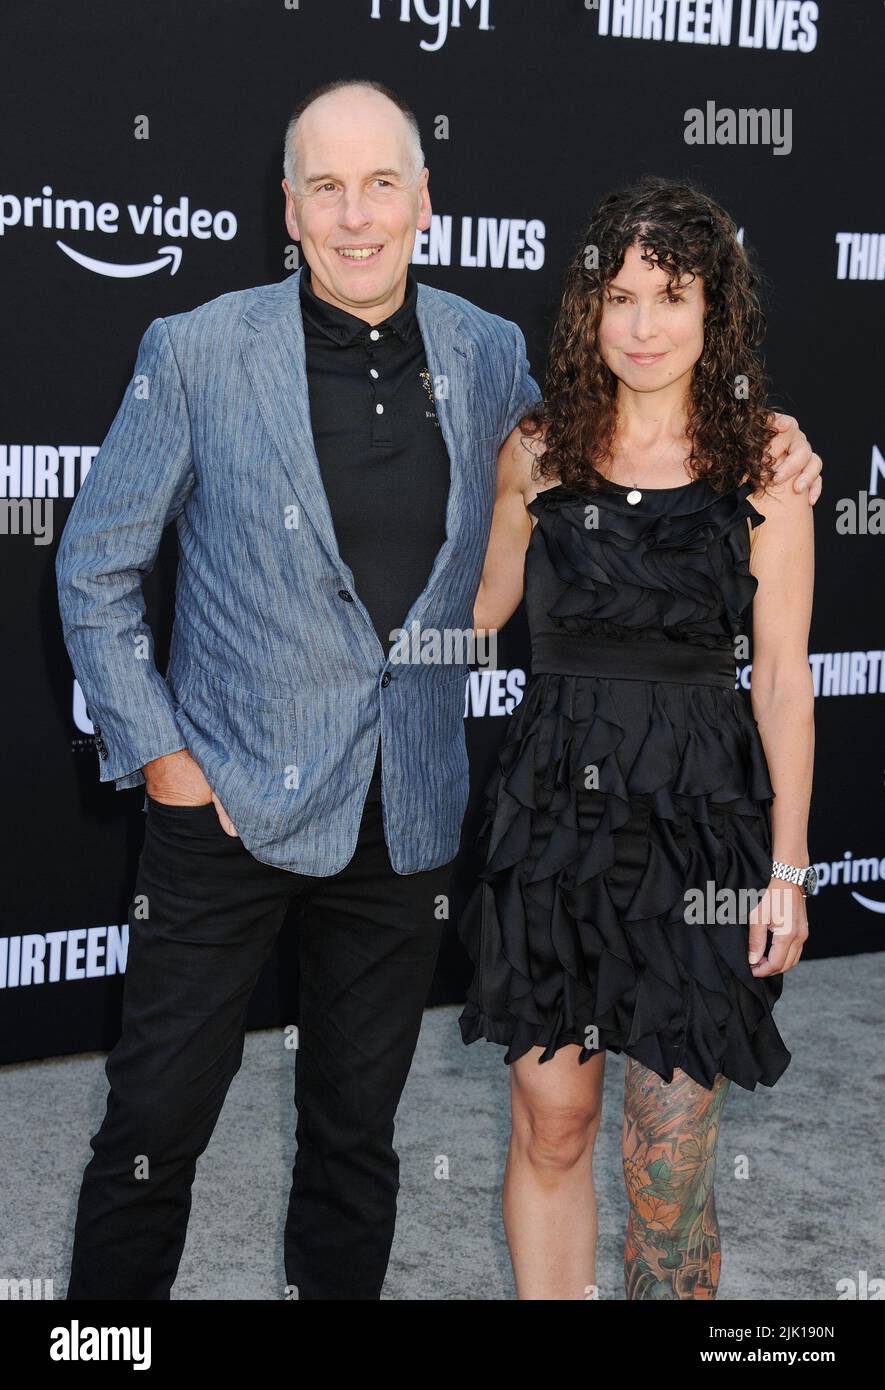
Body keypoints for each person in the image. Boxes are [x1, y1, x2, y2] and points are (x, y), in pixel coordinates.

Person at [55, 77, 546, 1301]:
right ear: (288, 207)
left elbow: (615, 438)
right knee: (153, 1130)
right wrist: (165, 759)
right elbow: (95, 565)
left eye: (382, 181)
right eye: (326, 186)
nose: (356, 213)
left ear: (427, 201)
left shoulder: (491, 353)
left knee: (353, 1139)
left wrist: (771, 446)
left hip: (405, 814)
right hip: (221, 809)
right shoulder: (199, 348)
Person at [458, 175, 817, 1301]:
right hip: (554, 827)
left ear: (717, 313)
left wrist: (788, 871)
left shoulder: (768, 467)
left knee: (666, 1176)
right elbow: (474, 612)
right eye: (621, 297)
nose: (645, 325)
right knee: (553, 1129)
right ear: (588, 309)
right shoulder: (536, 451)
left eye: (672, 296)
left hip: (698, 839)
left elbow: (786, 684)